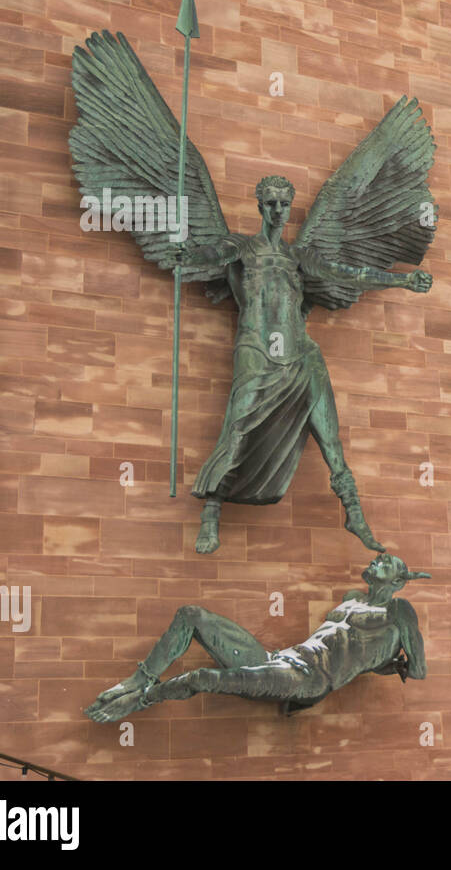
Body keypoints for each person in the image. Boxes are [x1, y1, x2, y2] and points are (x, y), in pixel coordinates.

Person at [178, 176, 432, 554]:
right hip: (256, 350)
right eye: (271, 204)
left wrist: (402, 280)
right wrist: (188, 256)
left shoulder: (298, 258)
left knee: (331, 440)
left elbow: (349, 274)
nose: (278, 211)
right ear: (260, 206)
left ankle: (354, 514)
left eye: (284, 204)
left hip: (302, 354)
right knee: (238, 427)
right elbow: (211, 256)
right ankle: (211, 513)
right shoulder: (241, 248)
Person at [84, 552, 430, 722]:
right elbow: (356, 650)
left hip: (307, 680)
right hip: (279, 659)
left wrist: (386, 663)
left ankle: (139, 701)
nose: (378, 559)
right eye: (379, 556)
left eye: (386, 562)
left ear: (398, 583)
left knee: (202, 677)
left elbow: (417, 671)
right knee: (192, 615)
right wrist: (376, 662)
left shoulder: (399, 612)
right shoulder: (351, 597)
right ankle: (136, 681)